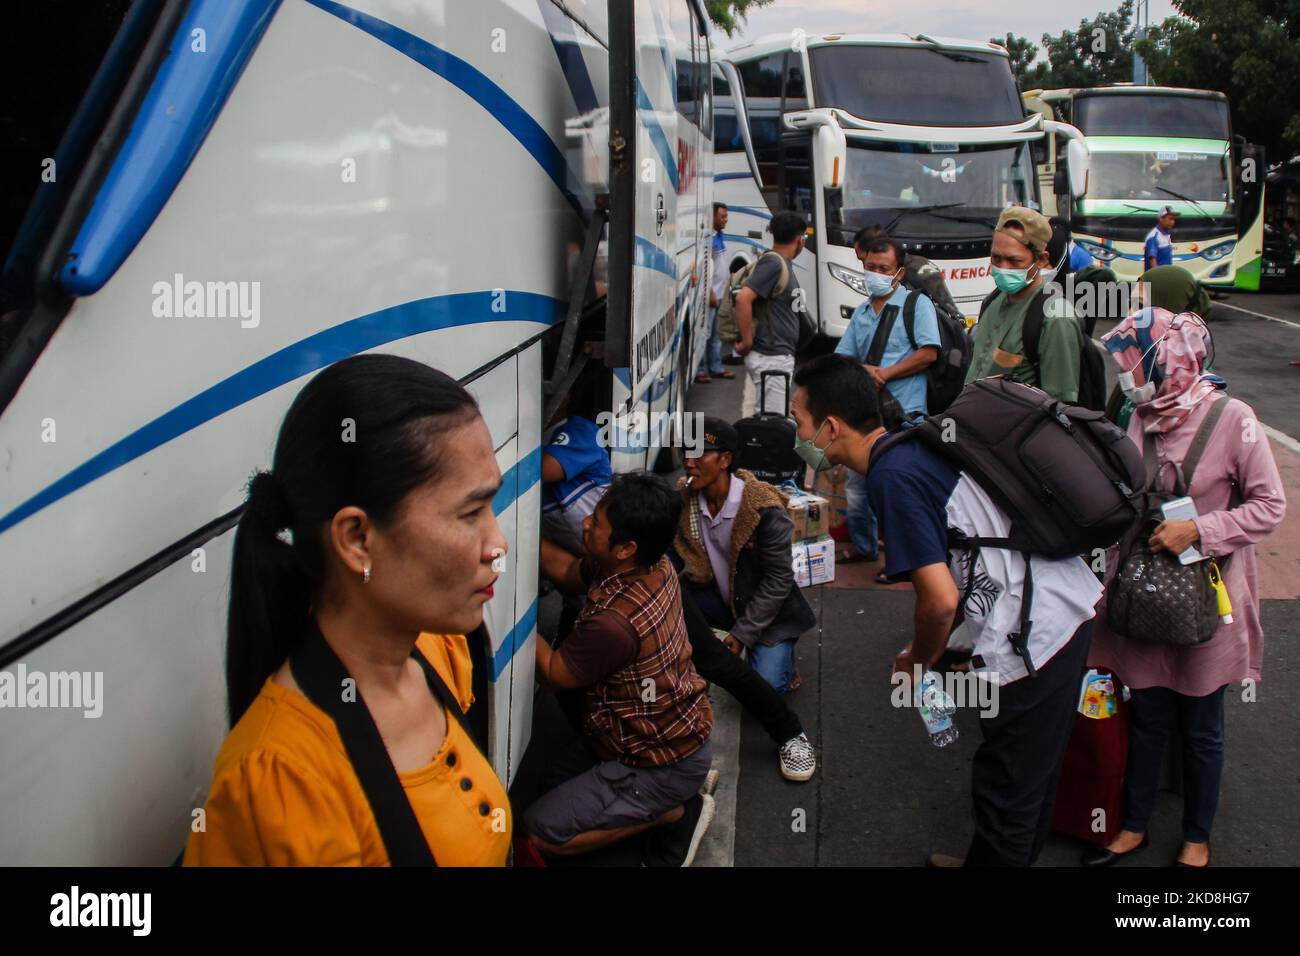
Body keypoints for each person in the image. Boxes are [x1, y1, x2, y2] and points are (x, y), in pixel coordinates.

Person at [185, 355, 511, 866]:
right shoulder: (280, 783)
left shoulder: (433, 650)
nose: (498, 545)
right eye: (471, 513)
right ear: (357, 539)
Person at [790, 354, 1103, 867]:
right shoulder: (912, 443)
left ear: (830, 426)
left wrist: (918, 660)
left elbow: (939, 599)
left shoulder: (894, 477)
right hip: (1059, 606)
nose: (797, 433)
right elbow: (965, 552)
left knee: (1009, 790)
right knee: (1030, 775)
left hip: (1037, 633)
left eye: (799, 421)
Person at [1082, 307, 1285, 868]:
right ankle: (1135, 823)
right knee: (1145, 714)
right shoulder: (1138, 416)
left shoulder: (1233, 418)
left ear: (1168, 361)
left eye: (1133, 363)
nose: (1126, 377)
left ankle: (1197, 834)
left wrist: (1200, 529)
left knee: (1201, 725)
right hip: (1144, 591)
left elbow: (1270, 506)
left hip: (1208, 597)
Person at [528, 474, 714, 863]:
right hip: (665, 737)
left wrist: (505, 615)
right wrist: (517, 534)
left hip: (659, 762)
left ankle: (668, 813)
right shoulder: (652, 562)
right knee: (549, 783)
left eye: (596, 523)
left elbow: (555, 674)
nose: (585, 523)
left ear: (625, 548)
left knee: (537, 834)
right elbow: (565, 571)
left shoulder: (614, 623)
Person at [672, 416, 818, 699]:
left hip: (767, 611)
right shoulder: (685, 498)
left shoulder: (762, 508)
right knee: (670, 592)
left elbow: (779, 580)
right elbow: (673, 551)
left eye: (699, 454)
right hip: (721, 600)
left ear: (725, 460)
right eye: (685, 453)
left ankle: (779, 656)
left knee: (765, 689)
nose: (689, 463)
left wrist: (741, 635)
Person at [835, 232, 941, 572]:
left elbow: (928, 353)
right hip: (867, 416)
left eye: (883, 268)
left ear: (898, 273)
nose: (875, 274)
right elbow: (843, 358)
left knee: (897, 492)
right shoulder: (863, 311)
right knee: (858, 488)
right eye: (870, 267)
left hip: (905, 415)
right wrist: (862, 371)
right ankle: (865, 547)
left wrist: (885, 373)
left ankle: (903, 562)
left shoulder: (916, 305)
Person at [966, 205, 1082, 404]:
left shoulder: (1056, 317)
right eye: (996, 258)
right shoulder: (993, 301)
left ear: (1042, 260)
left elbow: (1060, 407)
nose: (1002, 268)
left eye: (1014, 261)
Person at [734, 210, 806, 418]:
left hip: (775, 356)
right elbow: (743, 298)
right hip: (771, 357)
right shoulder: (774, 263)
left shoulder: (781, 262)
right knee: (771, 426)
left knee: (770, 421)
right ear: (800, 240)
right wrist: (747, 341)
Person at [696, 203, 736, 384]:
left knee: (715, 336)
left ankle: (716, 367)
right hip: (710, 295)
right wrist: (709, 291)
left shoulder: (718, 236)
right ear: (711, 217)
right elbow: (704, 267)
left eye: (726, 217)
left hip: (719, 294)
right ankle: (699, 369)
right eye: (722, 217)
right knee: (704, 334)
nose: (726, 220)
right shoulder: (707, 238)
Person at [1144, 206, 1177, 272]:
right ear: (1161, 219)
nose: (1172, 222)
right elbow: (1152, 260)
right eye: (1170, 219)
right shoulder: (1154, 237)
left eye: (1173, 219)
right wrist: (1158, 278)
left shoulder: (1166, 234)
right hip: (1155, 279)